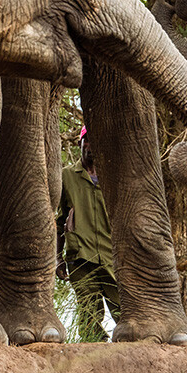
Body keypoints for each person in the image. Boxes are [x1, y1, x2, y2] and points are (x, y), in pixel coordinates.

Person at [56, 127, 121, 342]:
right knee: (89, 313)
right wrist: (57, 258)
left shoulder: (113, 179)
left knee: (123, 310)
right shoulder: (66, 175)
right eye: (87, 141)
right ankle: (93, 353)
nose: (91, 147)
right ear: (80, 144)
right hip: (80, 255)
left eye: (96, 142)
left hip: (111, 254)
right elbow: (57, 222)